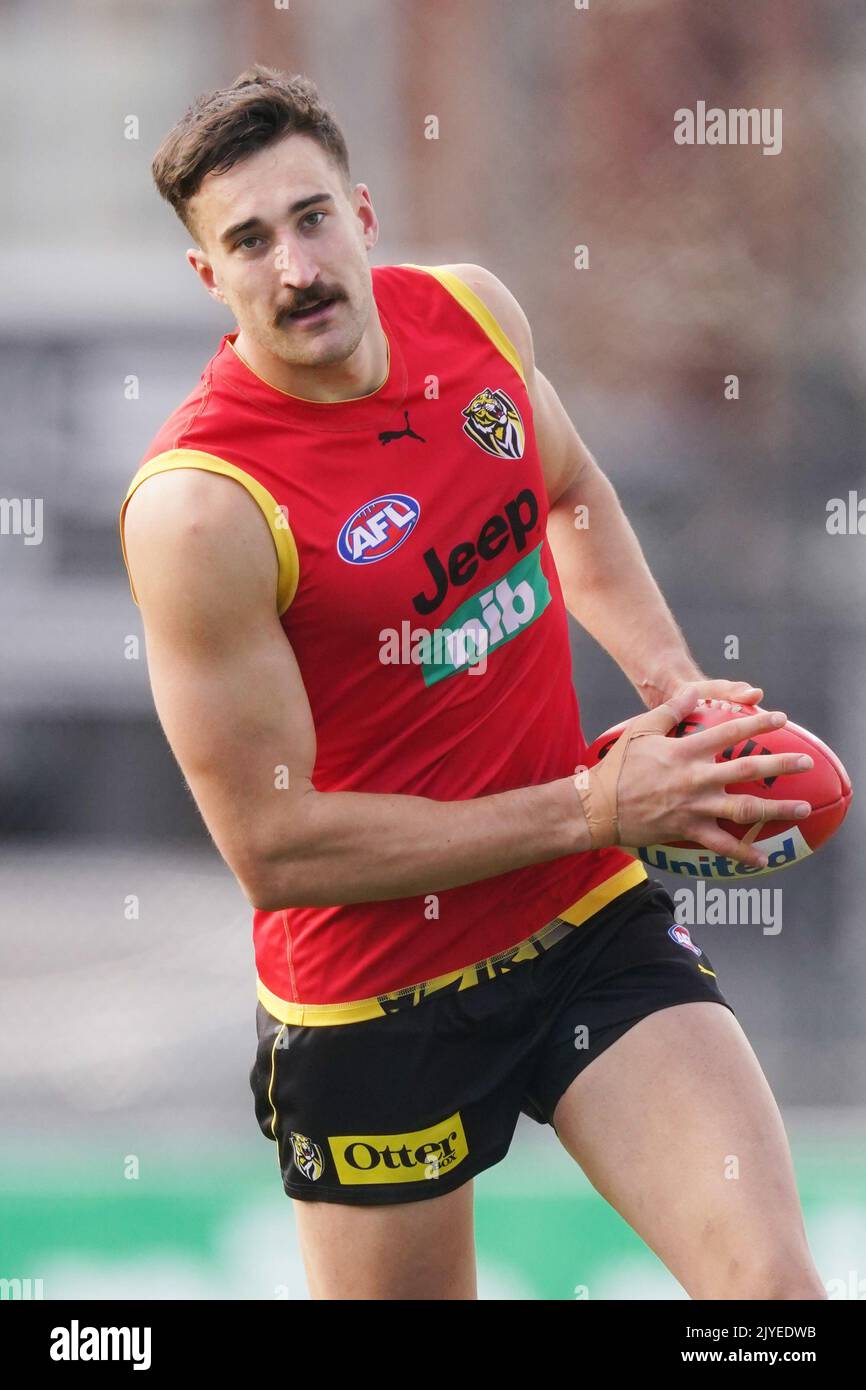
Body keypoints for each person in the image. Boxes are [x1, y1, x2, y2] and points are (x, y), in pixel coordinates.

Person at [119, 64, 824, 1300]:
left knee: (769, 1296)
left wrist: (677, 687)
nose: (294, 265)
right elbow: (275, 849)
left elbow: (568, 495)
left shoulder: (472, 318)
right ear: (207, 279)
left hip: (582, 922)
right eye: (247, 241)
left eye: (310, 216)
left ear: (364, 213)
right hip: (369, 1005)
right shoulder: (201, 511)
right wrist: (603, 807)